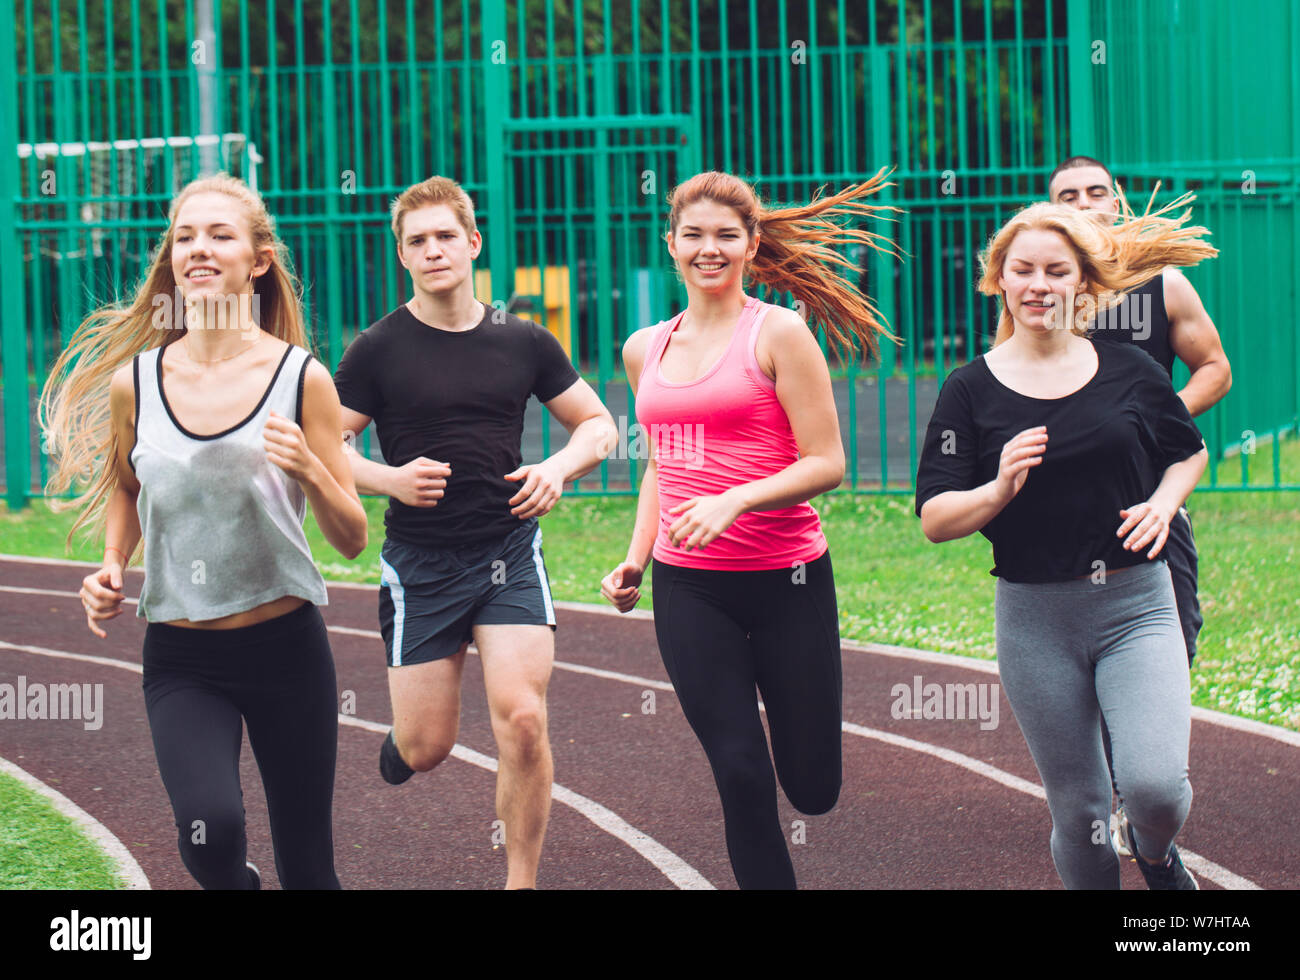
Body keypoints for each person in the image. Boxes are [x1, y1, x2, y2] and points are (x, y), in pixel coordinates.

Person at [39, 174, 367, 889]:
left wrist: (312, 470)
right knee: (210, 837)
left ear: (257, 260)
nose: (199, 248)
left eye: (220, 234)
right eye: (185, 236)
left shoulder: (301, 378)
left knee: (310, 872)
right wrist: (110, 564)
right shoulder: (137, 380)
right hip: (183, 658)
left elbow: (351, 537)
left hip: (286, 649)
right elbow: (129, 481)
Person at [600, 169, 899, 889]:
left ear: (752, 244)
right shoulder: (646, 348)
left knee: (813, 787)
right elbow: (659, 470)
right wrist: (637, 558)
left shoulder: (780, 333)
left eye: (725, 236)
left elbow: (827, 462)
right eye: (694, 236)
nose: (710, 249)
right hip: (689, 588)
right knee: (738, 769)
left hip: (788, 578)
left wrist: (737, 500)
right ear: (670, 244)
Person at [916, 199, 1215, 889]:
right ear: (999, 280)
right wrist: (995, 491)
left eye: (1056, 270)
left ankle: (1157, 851)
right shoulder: (969, 391)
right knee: (1079, 812)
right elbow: (935, 515)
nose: (1039, 285)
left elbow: (1188, 450)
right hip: (1036, 620)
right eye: (1022, 270)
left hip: (1137, 606)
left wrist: (1164, 504)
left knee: (1156, 789)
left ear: (1083, 282)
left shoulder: (1130, 371)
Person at [332, 175, 616, 890]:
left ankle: (520, 883)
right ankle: (403, 745)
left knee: (522, 719)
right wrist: (388, 479)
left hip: (508, 552)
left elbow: (600, 424)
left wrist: (558, 467)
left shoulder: (521, 339)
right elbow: (323, 447)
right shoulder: (376, 350)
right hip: (420, 563)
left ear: (472, 243)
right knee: (429, 746)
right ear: (402, 256)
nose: (433, 251)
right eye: (417, 242)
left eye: (444, 237)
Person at [1047, 155, 1231, 669]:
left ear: (1117, 200)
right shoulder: (1040, 291)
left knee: (1168, 648)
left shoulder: (1161, 282)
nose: (1084, 203)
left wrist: (1156, 423)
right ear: (1050, 208)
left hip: (1153, 492)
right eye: (1068, 196)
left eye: (1095, 192)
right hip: (1064, 500)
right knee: (1070, 659)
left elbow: (1215, 368)